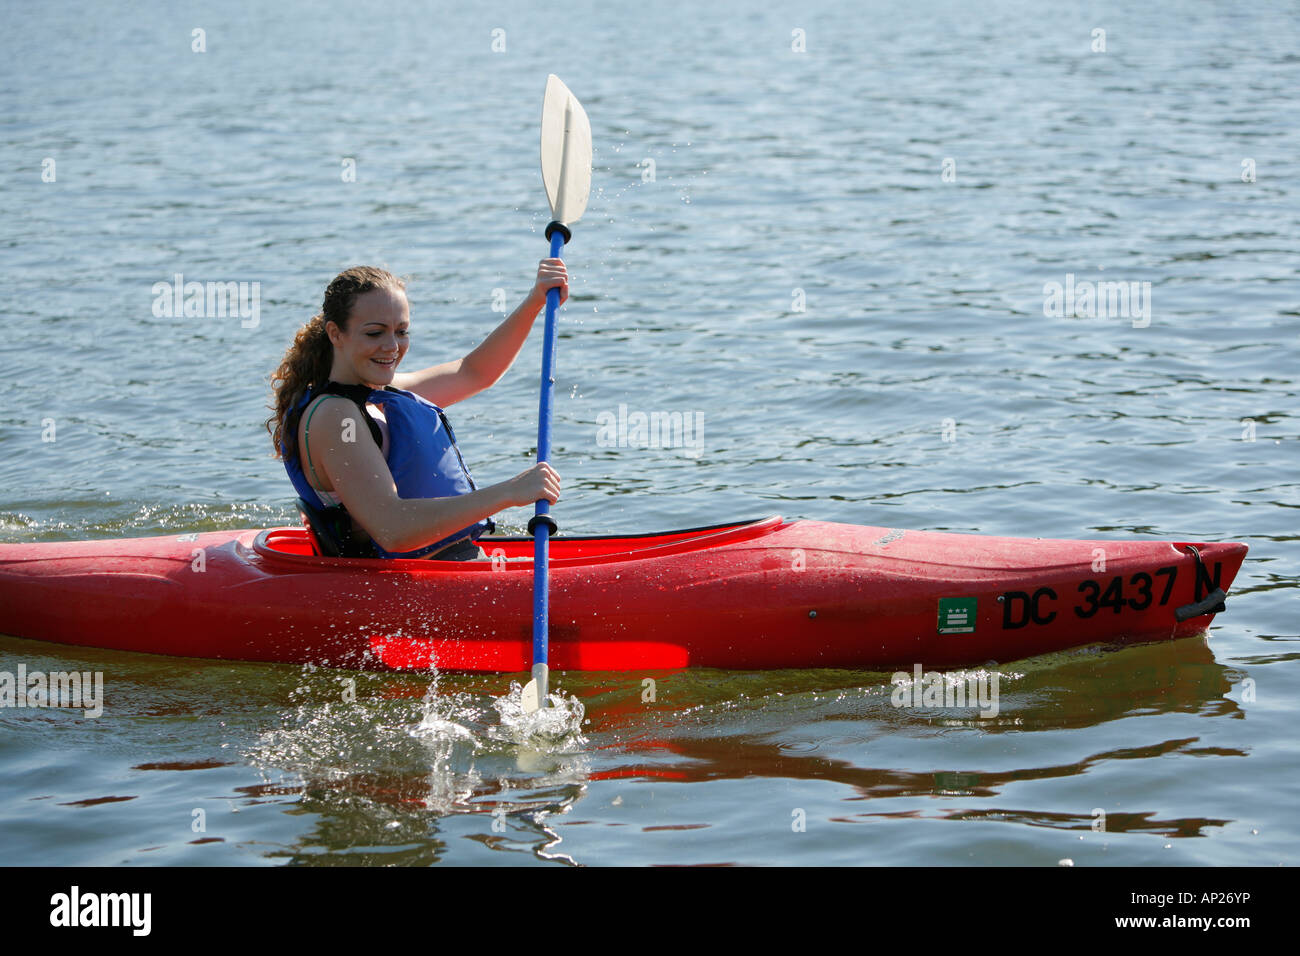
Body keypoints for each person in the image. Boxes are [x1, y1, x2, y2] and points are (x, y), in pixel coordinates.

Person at [267, 263, 564, 560]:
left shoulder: (379, 391)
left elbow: (474, 373)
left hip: (447, 566)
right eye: (374, 333)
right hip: (398, 587)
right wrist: (509, 492)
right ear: (335, 333)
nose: (392, 346)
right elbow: (392, 529)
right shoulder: (336, 417)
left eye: (401, 331)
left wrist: (534, 300)